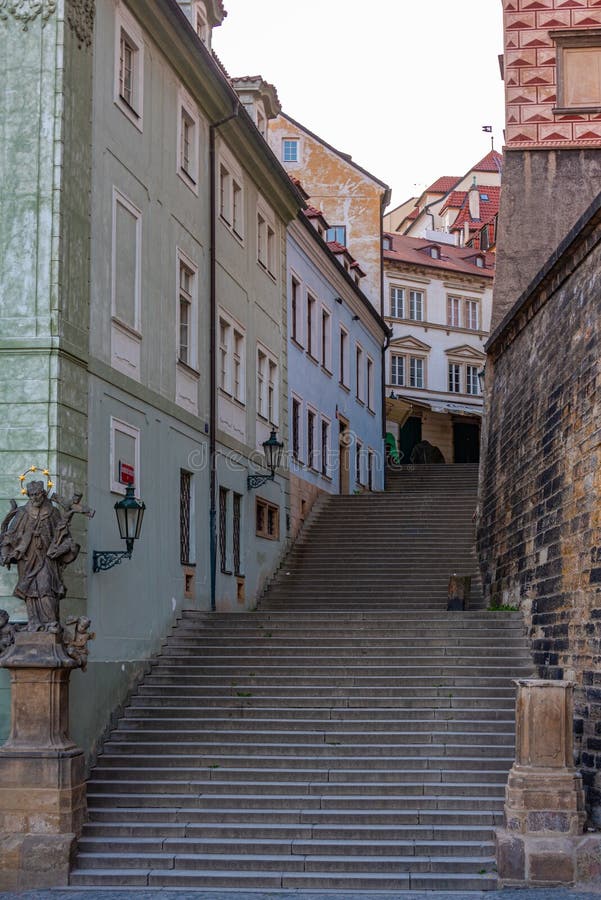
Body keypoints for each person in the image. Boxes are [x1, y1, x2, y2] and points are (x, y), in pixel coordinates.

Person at [0, 481, 79, 631]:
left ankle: (51, 622)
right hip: (27, 558)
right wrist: (5, 553)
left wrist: (65, 546)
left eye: (37, 494)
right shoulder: (23, 512)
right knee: (30, 590)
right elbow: (8, 536)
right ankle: (34, 623)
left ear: (43, 493)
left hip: (47, 558)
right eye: (31, 495)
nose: (34, 498)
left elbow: (63, 535)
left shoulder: (53, 512)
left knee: (46, 586)